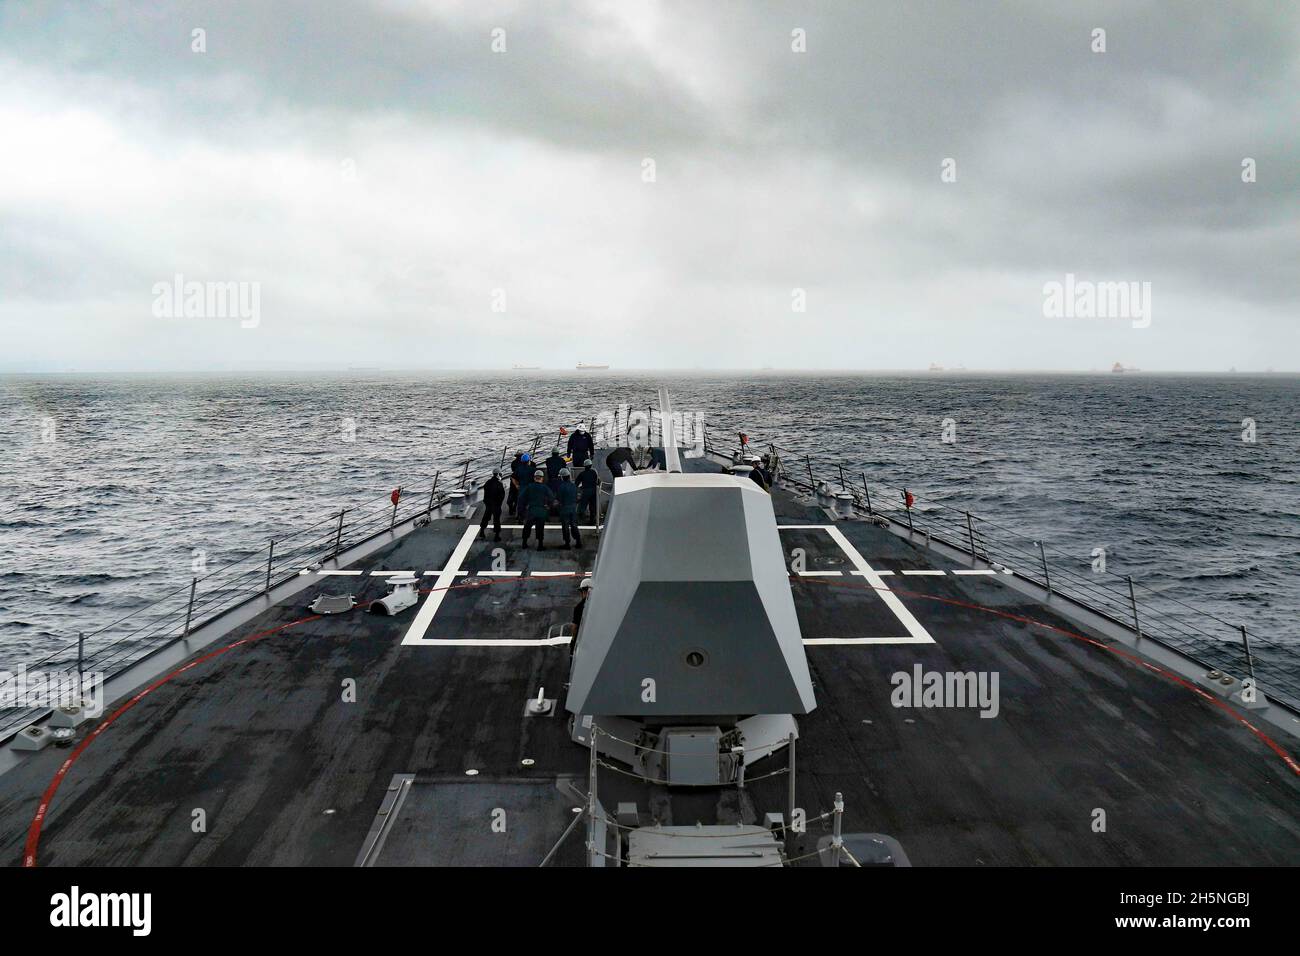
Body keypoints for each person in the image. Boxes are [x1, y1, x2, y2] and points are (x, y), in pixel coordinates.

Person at [518, 469, 555, 549]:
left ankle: (524, 543)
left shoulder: (529, 486)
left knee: (527, 527)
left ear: (534, 478)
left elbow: (521, 498)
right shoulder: (545, 487)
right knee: (540, 528)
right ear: (542, 478)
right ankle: (540, 545)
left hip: (531, 510)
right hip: (541, 511)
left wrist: (522, 510)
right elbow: (552, 498)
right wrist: (548, 506)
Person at [556, 468, 581, 548]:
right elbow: (577, 498)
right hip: (573, 508)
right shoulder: (574, 486)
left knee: (565, 527)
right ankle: (578, 542)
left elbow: (559, 499)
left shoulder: (561, 487)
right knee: (574, 525)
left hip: (564, 509)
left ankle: (567, 544)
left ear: (562, 477)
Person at [479, 468, 505, 541]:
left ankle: (482, 531)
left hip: (489, 504)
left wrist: (487, 502)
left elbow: (485, 492)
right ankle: (497, 535)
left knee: (486, 517)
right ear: (498, 474)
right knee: (496, 520)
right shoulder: (499, 484)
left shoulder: (488, 482)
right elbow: (502, 495)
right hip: (496, 504)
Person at [576, 458, 599, 524]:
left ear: (584, 466)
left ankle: (580, 520)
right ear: (591, 465)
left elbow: (576, 483)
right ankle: (592, 521)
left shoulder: (582, 474)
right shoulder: (594, 472)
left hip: (585, 491)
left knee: (582, 506)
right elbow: (597, 481)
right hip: (594, 491)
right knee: (592, 507)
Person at [512, 452, 534, 518]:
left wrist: (516, 485)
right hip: (530, 488)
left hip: (521, 488)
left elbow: (513, 477)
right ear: (528, 461)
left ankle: (520, 517)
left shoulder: (518, 469)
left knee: (520, 503)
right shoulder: (532, 469)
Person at [506, 450, 525, 515]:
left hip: (513, 481)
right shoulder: (523, 463)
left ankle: (511, 509)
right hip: (521, 481)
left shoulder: (513, 463)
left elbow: (513, 470)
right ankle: (515, 508)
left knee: (511, 495)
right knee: (518, 496)